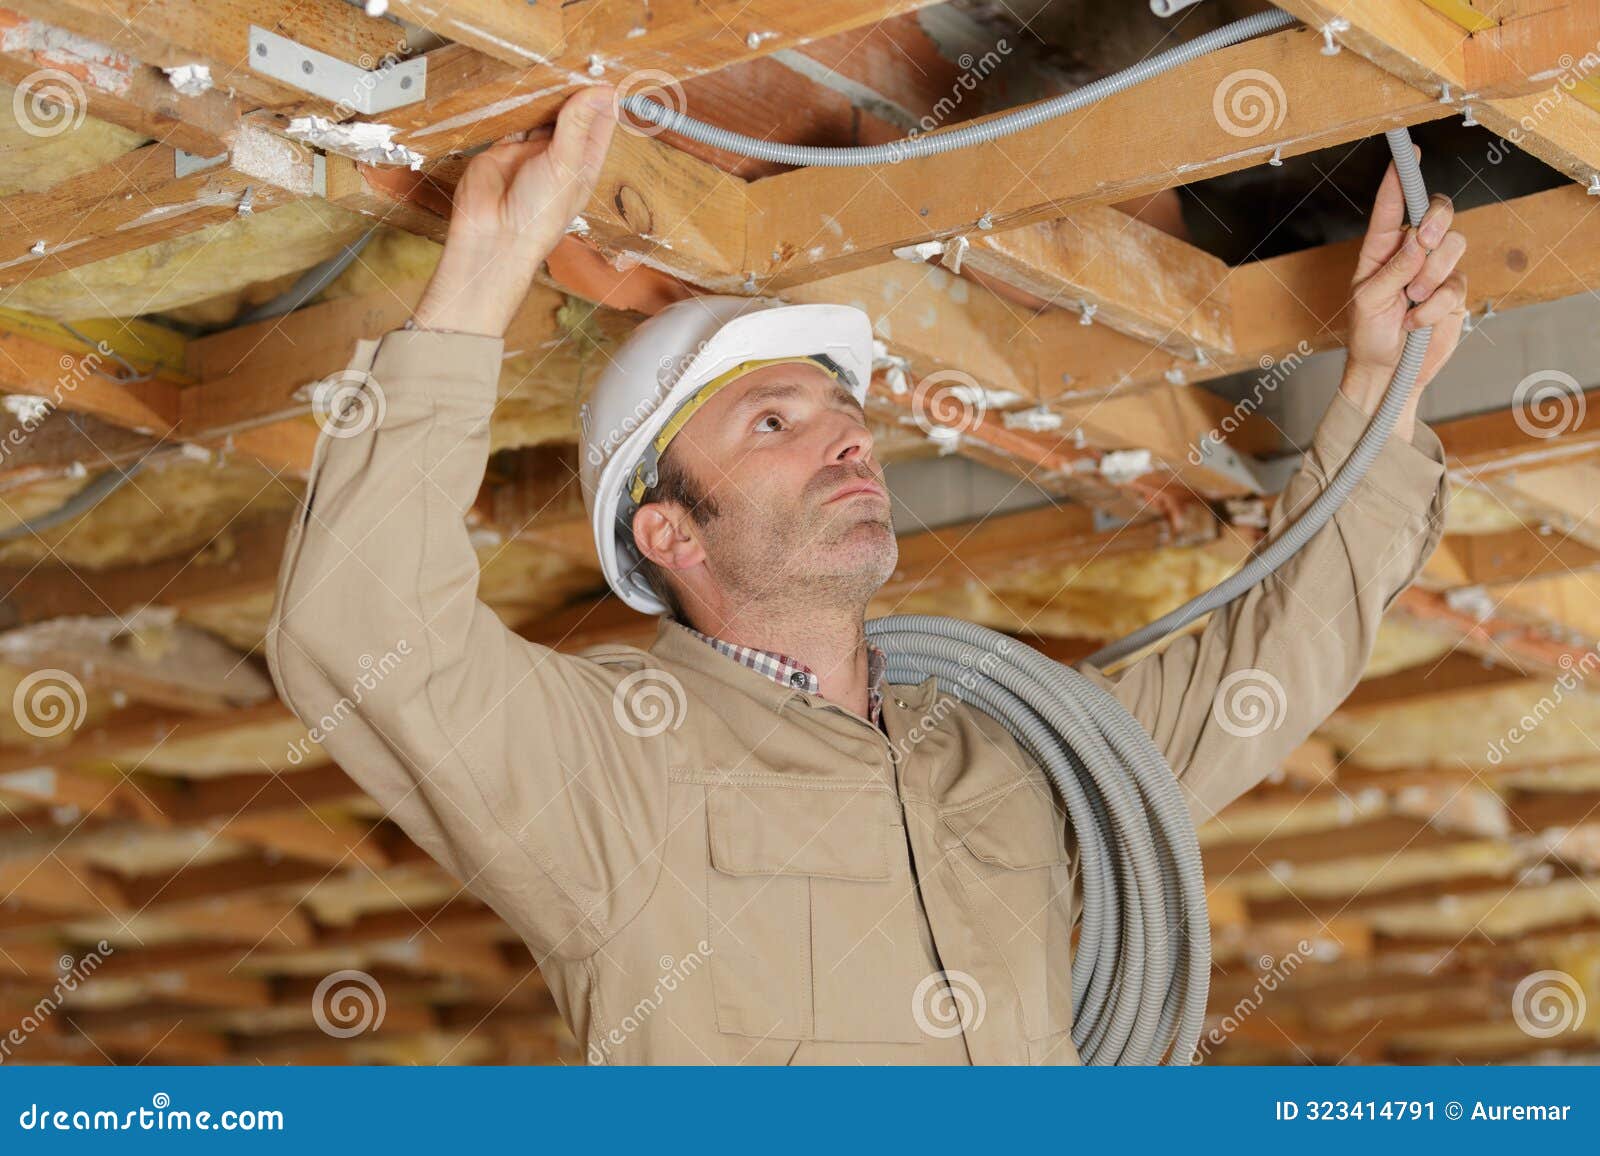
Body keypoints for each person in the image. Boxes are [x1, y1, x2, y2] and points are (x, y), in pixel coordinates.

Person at [266, 86, 1467, 1064]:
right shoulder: (615, 771)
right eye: (774, 424)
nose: (849, 440)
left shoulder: (1016, 758)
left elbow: (1268, 668)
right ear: (670, 533)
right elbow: (365, 633)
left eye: (845, 416)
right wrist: (486, 268)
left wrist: (1380, 389)